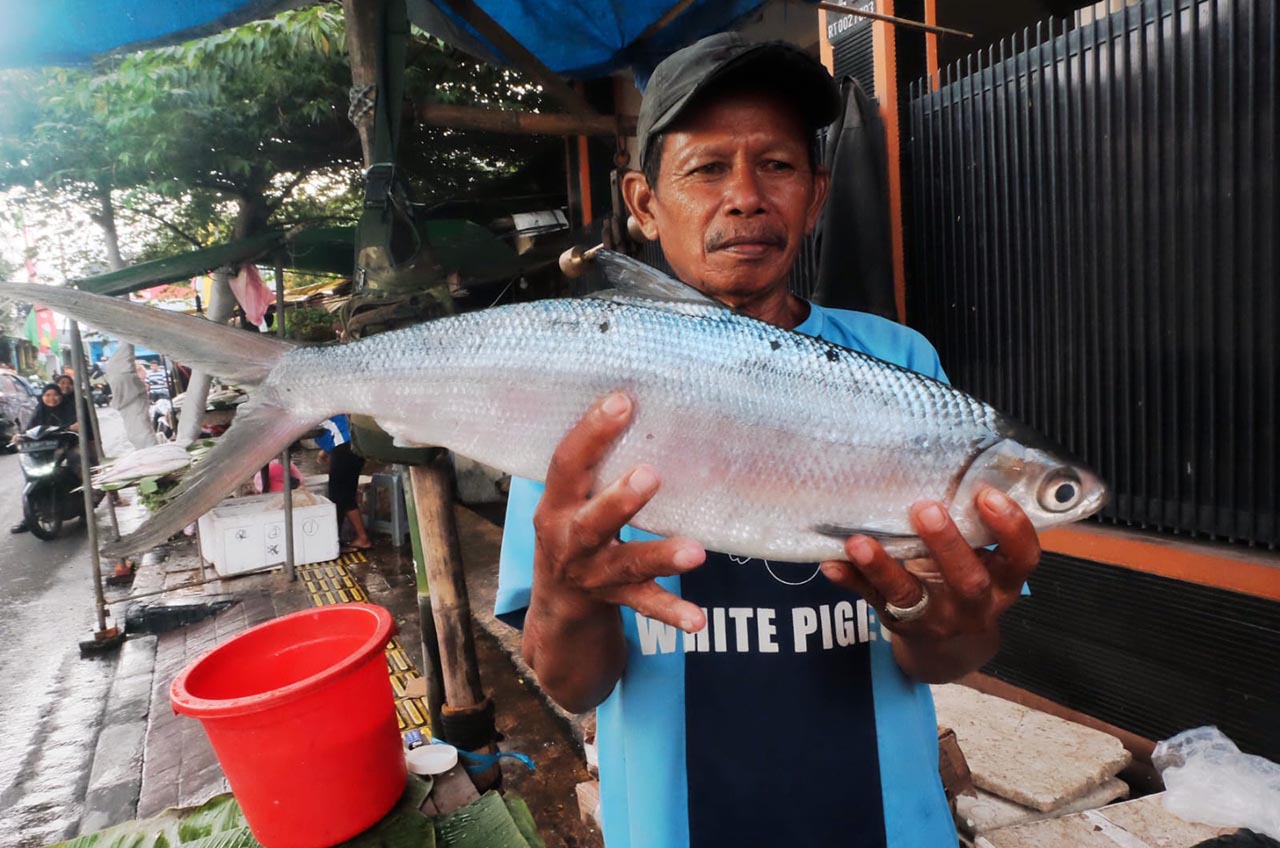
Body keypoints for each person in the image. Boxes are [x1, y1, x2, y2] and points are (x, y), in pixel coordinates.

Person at [496, 33, 1043, 848]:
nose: (746, 196)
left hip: (884, 823)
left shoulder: (900, 365)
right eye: (708, 168)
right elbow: (575, 687)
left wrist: (942, 618)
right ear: (644, 203)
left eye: (777, 166)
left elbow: (949, 657)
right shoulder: (577, 380)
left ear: (816, 195)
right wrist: (568, 591)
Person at [10, 383, 79, 533]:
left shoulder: (69, 409)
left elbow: (77, 426)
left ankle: (84, 499)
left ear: (61, 396)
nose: (51, 398)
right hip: (44, 451)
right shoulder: (39, 411)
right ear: (42, 397)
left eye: (55, 395)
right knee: (31, 477)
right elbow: (29, 430)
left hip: (66, 447)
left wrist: (72, 428)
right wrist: (19, 436)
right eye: (47, 395)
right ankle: (29, 517)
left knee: (76, 463)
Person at [315, 415, 372, 550]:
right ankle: (336, 538)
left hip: (344, 448)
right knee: (343, 494)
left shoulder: (315, 409)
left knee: (341, 495)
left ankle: (362, 538)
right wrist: (325, 451)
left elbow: (335, 431)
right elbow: (335, 430)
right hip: (355, 445)